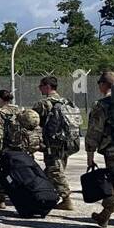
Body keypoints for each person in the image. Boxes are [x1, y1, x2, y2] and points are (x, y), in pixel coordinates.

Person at [86, 70, 114, 228]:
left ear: (103, 85)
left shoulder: (102, 105)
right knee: (113, 183)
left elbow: (93, 132)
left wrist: (90, 155)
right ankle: (104, 215)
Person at [33, 75, 78, 211]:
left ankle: (66, 198)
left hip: (53, 144)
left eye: (41, 86)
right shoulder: (66, 102)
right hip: (67, 141)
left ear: (47, 87)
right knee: (53, 170)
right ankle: (45, 194)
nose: (39, 88)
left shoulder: (44, 103)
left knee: (55, 170)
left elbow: (31, 121)